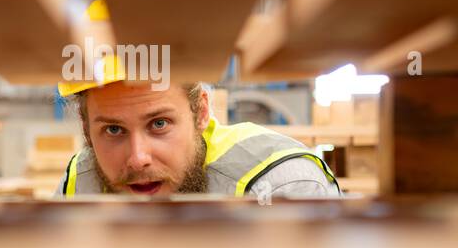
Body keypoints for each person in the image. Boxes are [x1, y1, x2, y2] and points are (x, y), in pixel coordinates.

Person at [55, 75, 340, 200]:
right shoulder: (81, 183)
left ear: (201, 112)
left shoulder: (280, 185)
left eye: (159, 123)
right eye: (114, 130)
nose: (138, 158)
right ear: (85, 128)